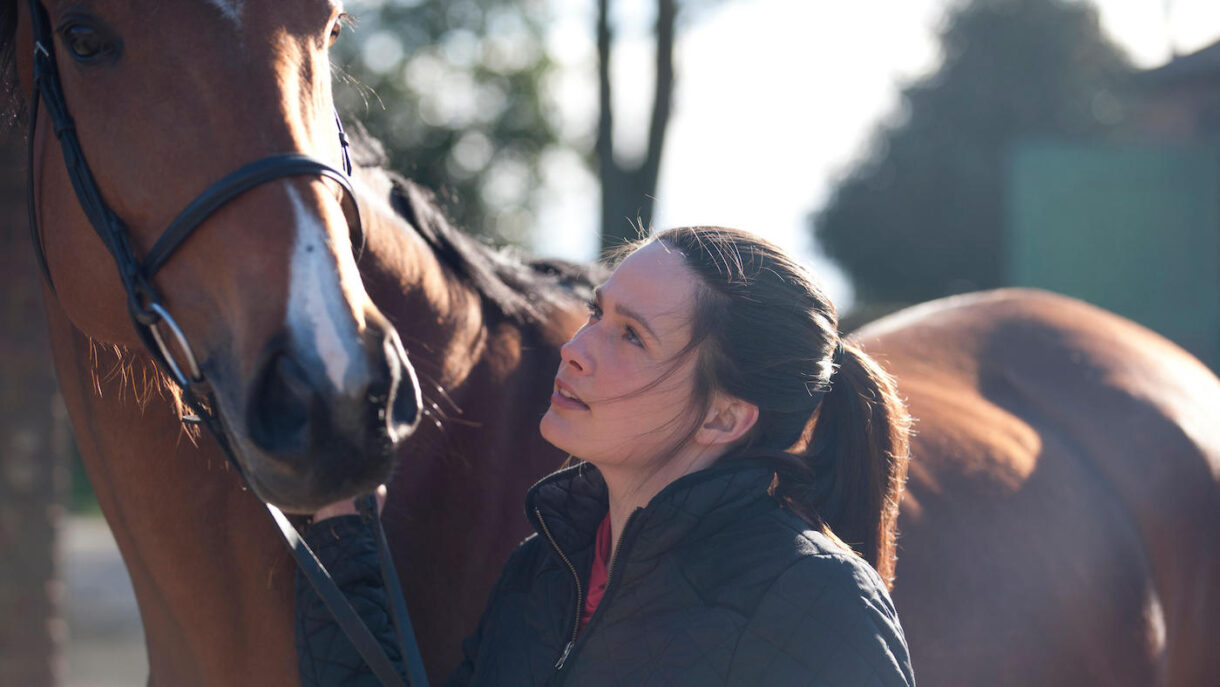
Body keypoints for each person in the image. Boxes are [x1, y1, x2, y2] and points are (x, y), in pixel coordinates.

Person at [295, 226, 916, 686]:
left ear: (724, 417)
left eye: (630, 336)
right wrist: (341, 533)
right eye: (598, 313)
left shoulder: (818, 602)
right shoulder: (541, 572)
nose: (575, 349)